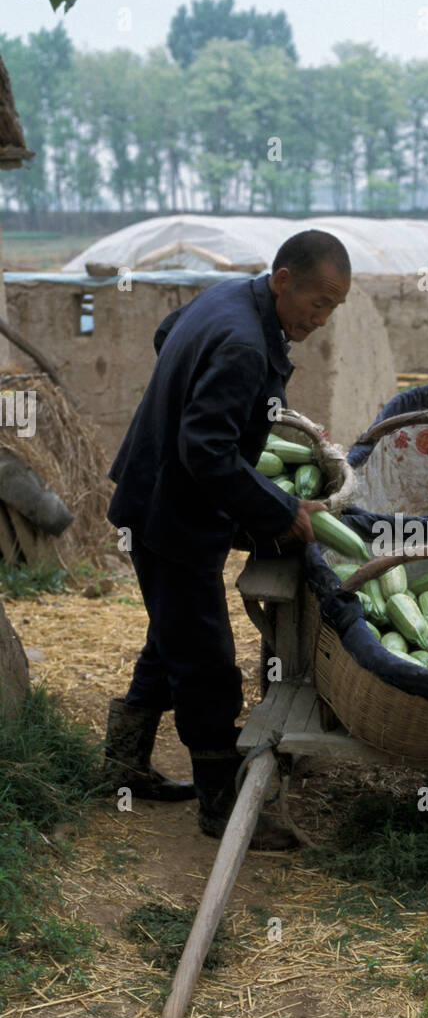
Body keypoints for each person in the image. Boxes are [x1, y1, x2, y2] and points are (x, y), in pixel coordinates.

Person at [103, 230, 351, 848]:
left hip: (154, 491)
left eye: (333, 308)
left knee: (174, 629)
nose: (321, 320)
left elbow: (169, 334)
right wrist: (281, 508)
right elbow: (207, 451)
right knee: (207, 657)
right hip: (172, 513)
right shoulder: (243, 343)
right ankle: (219, 806)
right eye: (317, 303)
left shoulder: (229, 298)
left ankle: (123, 763)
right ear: (283, 280)